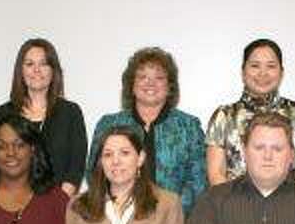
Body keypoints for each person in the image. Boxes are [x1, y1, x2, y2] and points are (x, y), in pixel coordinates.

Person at [87, 47, 207, 213]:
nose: (150, 83)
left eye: (159, 77)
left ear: (170, 86)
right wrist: (120, 211)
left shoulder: (189, 126)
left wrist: (168, 213)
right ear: (131, 85)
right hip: (117, 222)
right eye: (142, 77)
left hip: (175, 223)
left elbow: (198, 182)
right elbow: (95, 174)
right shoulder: (109, 124)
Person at [206, 38, 295, 184]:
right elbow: (216, 175)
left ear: (281, 72)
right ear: (243, 71)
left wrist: (289, 204)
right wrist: (235, 206)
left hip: (292, 203)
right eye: (255, 66)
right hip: (234, 203)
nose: (263, 73)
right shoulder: (224, 116)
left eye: (271, 66)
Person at [0, 38, 87, 197]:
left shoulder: (70, 112)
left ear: (53, 70)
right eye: (29, 64)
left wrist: (57, 203)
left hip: (57, 206)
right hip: (10, 204)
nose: (37, 70)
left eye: (43, 64)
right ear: (20, 71)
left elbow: (76, 166)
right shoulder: (4, 113)